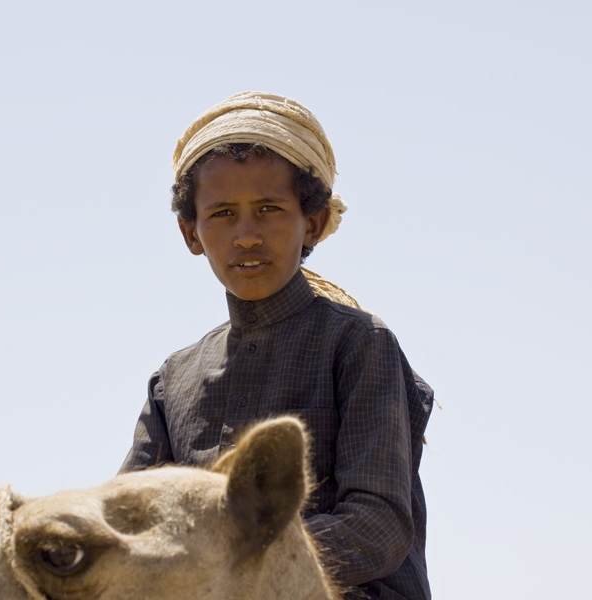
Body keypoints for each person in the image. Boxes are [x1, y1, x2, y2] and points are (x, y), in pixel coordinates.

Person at [120, 91, 434, 600]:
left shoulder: (359, 344)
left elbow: (377, 525)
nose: (247, 235)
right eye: (222, 213)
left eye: (269, 209)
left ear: (311, 222)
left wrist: (232, 566)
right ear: (190, 232)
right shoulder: (172, 380)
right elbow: (128, 517)